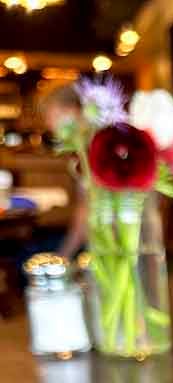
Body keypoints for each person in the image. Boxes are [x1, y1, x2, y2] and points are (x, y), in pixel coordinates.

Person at [39, 84, 88, 260]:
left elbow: (84, 217)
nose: (48, 124)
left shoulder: (88, 152)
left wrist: (62, 258)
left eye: (50, 115)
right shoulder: (82, 150)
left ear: (71, 111)